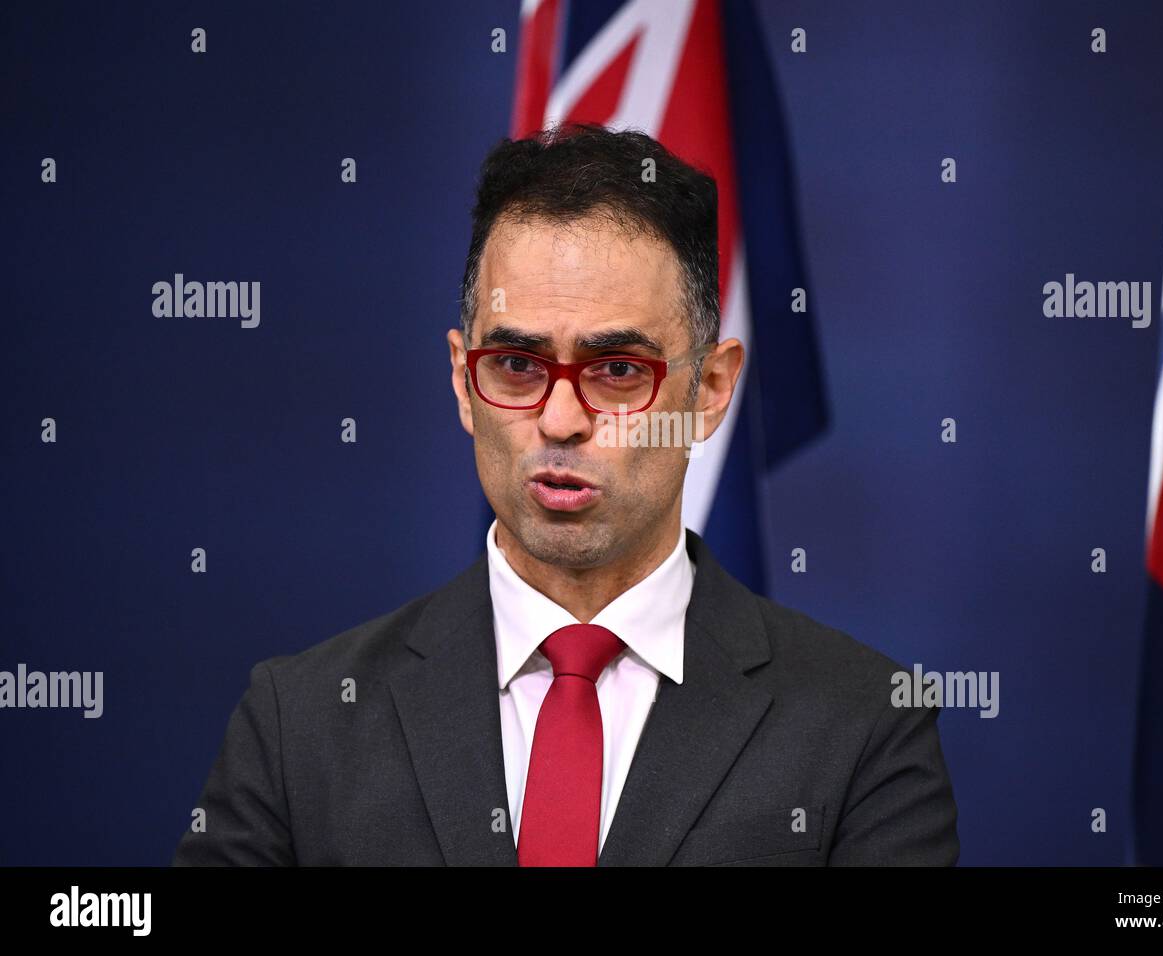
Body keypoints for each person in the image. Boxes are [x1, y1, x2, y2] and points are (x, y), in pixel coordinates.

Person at [172, 123, 959, 866]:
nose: (559, 418)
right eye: (516, 366)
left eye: (618, 371)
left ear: (711, 389)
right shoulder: (299, 721)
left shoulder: (864, 726)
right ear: (462, 380)